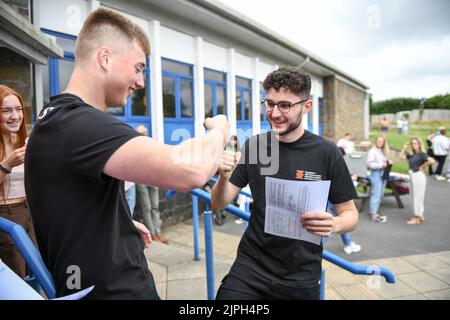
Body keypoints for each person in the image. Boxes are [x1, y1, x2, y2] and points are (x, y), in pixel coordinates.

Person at [25, 8, 228, 300]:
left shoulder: (53, 118)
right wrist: (218, 129)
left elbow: (67, 200)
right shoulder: (81, 124)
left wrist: (119, 223)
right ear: (105, 59)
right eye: (138, 67)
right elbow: (191, 170)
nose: (141, 82)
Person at [211, 67, 358, 300]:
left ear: (306, 106)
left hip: (300, 276)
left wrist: (335, 224)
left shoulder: (327, 152)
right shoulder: (255, 146)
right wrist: (224, 176)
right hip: (250, 267)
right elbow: (219, 203)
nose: (275, 113)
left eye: (285, 105)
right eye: (269, 104)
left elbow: (350, 214)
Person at [0, 85, 37, 279]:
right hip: (6, 218)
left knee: (37, 273)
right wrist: (6, 164)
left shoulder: (25, 141)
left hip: (30, 213)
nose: (15, 116)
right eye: (6, 111)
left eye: (18, 109)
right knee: (16, 277)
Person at [133, 125, 168, 244]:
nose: (143, 135)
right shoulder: (133, 147)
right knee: (146, 208)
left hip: (153, 180)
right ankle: (152, 234)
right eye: (140, 133)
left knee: (155, 207)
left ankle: (158, 233)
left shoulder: (151, 145)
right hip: (141, 180)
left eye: (144, 133)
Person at [399, 138, 435, 225]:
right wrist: (404, 148)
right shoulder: (412, 155)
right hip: (412, 175)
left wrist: (423, 166)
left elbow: (432, 161)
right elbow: (400, 157)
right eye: (412, 143)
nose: (414, 145)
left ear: (419, 144)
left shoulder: (422, 154)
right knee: (414, 196)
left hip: (418, 176)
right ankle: (420, 215)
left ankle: (417, 218)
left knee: (417, 197)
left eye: (416, 143)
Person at [367, 136, 392, 223]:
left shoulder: (381, 151)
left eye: (382, 141)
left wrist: (388, 162)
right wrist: (382, 165)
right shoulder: (372, 151)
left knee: (380, 194)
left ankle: (376, 211)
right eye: (378, 141)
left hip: (383, 174)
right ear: (376, 141)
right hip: (376, 174)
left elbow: (383, 162)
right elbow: (369, 164)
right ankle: (373, 214)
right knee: (376, 194)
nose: (380, 142)